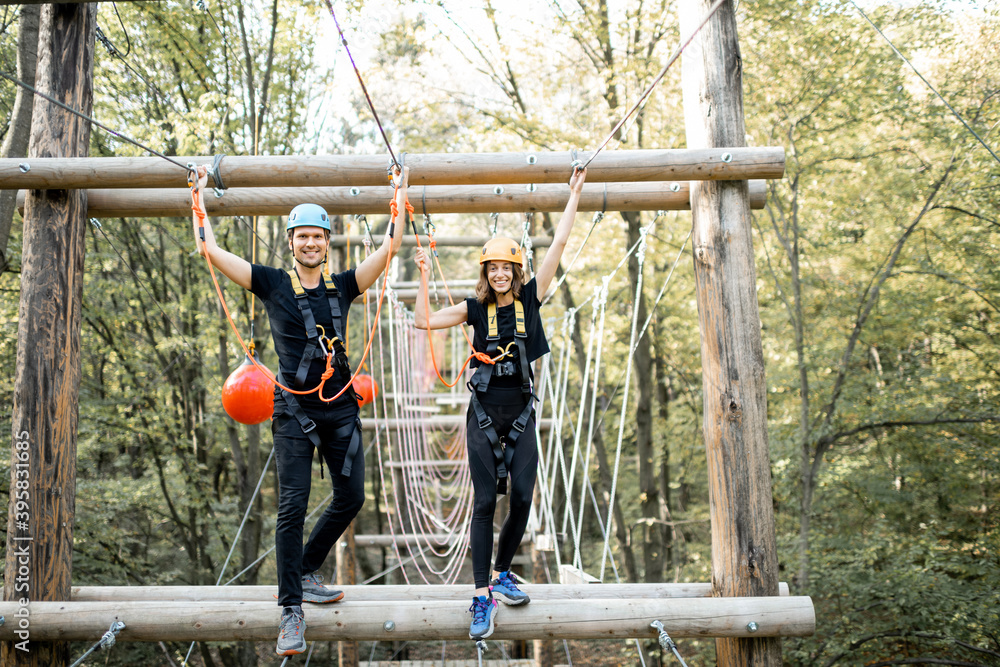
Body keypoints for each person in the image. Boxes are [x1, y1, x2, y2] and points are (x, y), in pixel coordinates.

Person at [191, 164, 409, 656]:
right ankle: (291, 608)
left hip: (340, 409)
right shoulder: (271, 284)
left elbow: (389, 249)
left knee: (351, 496)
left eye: (318, 236)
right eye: (302, 236)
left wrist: (399, 196)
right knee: (291, 505)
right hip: (293, 412)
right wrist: (200, 203)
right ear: (291, 242)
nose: (310, 243)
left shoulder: (345, 286)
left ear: (327, 242)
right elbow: (211, 250)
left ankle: (308, 569)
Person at [414, 167, 587, 639]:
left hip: (523, 412)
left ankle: (502, 572)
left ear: (517, 272)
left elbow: (558, 247)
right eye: (493, 267)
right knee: (486, 501)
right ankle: (480, 597)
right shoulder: (474, 310)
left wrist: (573, 197)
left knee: (525, 497)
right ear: (486, 273)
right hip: (485, 414)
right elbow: (423, 321)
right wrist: (424, 277)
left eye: (507, 267)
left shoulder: (532, 299)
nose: (500, 273)